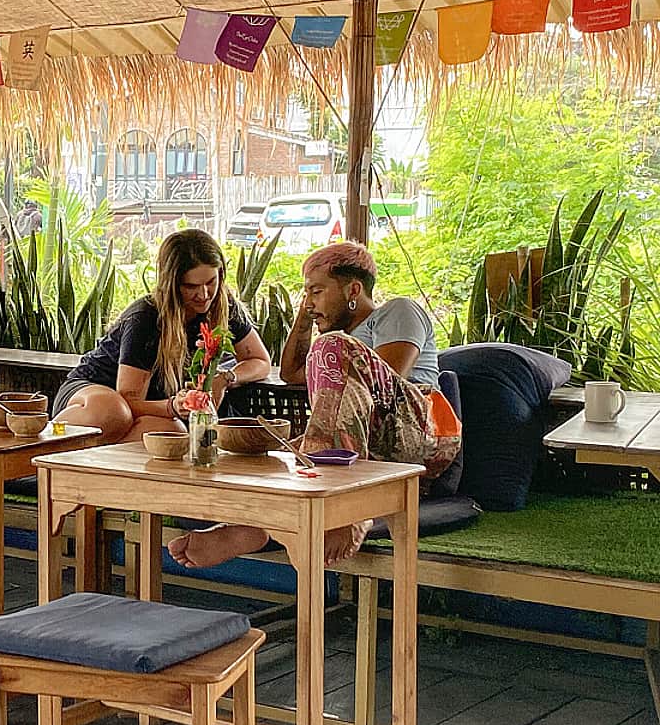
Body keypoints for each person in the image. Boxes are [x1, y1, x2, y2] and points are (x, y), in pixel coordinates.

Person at [168, 240, 461, 568]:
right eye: (306, 294)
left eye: (317, 291)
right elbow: (293, 373)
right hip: (362, 445)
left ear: (353, 290)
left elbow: (388, 385)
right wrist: (306, 319)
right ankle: (252, 528)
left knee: (331, 346)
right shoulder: (333, 347)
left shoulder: (398, 311)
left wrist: (331, 347)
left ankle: (348, 514)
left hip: (421, 432)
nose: (309, 302)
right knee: (273, 454)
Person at [52, 228, 272, 444]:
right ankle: (49, 450)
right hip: (95, 398)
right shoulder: (146, 318)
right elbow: (129, 399)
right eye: (191, 286)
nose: (204, 295)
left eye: (211, 282)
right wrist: (172, 406)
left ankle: (87, 469)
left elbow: (260, 361)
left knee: (172, 432)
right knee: (114, 412)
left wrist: (225, 379)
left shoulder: (222, 305)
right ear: (172, 284)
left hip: (151, 413)